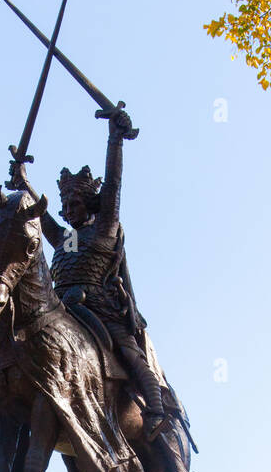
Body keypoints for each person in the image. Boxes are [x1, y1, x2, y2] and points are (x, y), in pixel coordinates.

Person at [13, 106, 168, 440]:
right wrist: (23, 183)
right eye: (66, 206)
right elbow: (43, 218)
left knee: (127, 350)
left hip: (101, 307)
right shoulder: (68, 240)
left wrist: (115, 140)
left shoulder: (104, 228)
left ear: (91, 203)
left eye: (75, 205)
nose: (69, 211)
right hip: (63, 309)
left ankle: (155, 407)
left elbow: (113, 184)